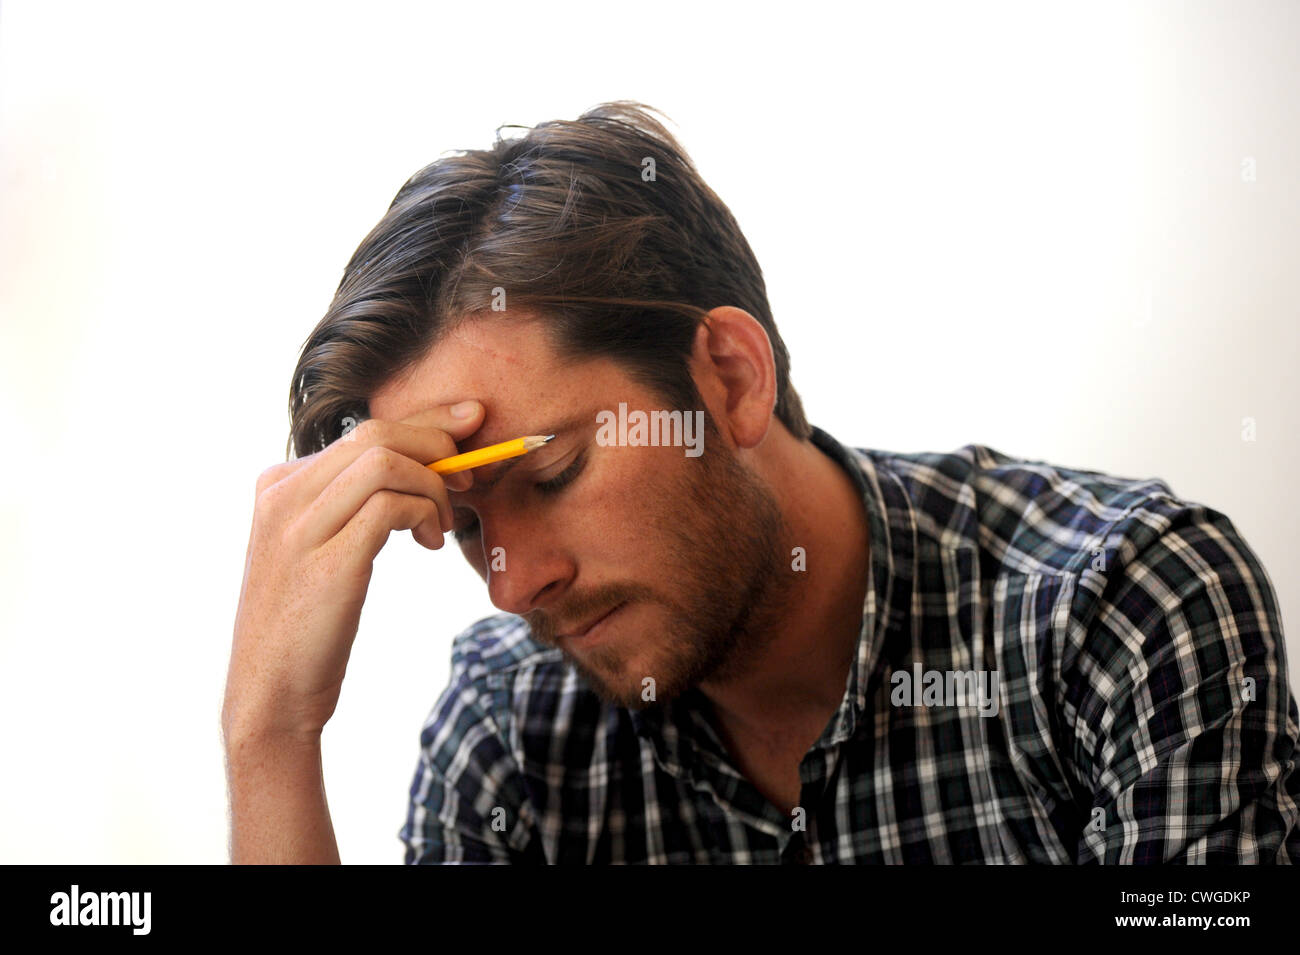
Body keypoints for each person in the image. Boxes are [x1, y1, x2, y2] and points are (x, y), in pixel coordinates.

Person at [222, 101, 1300, 864]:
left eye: (549, 475)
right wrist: (269, 736)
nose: (513, 586)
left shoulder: (1121, 605)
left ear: (728, 378)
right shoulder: (512, 722)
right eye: (463, 526)